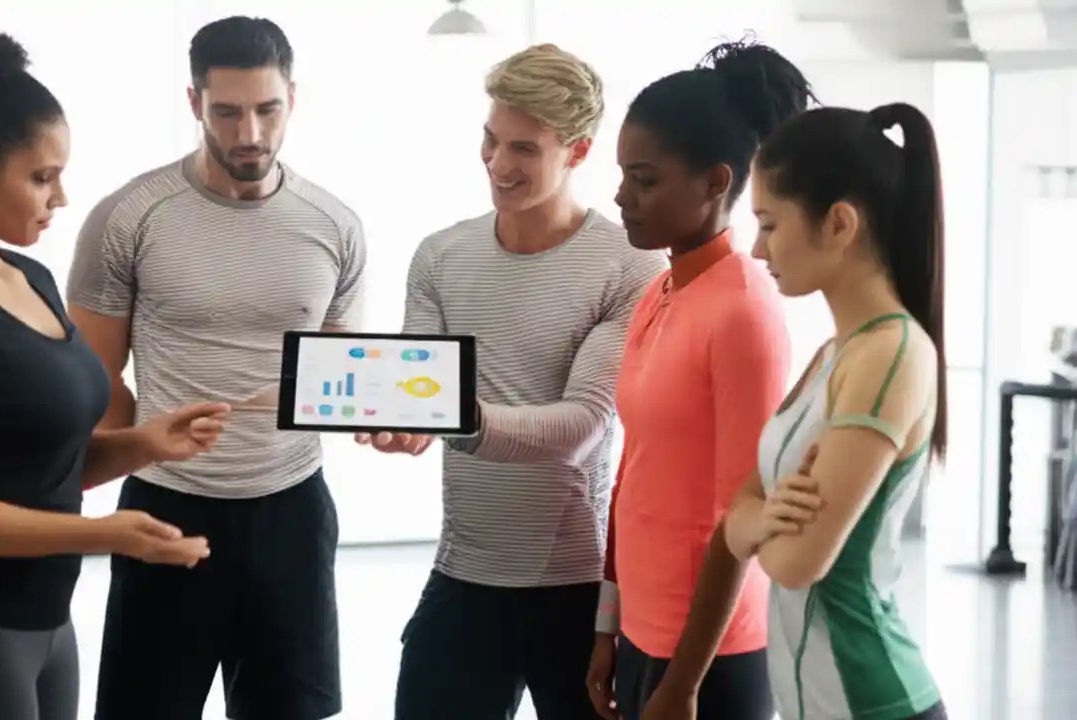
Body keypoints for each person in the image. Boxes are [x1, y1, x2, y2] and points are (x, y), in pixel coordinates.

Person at [0, 26, 226, 720]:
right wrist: (106, 535)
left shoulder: (29, 277)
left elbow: (40, 468)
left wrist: (145, 443)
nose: (59, 197)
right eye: (40, 176)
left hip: (47, 625)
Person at [66, 15, 365, 720]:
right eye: (227, 112)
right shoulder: (129, 217)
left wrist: (387, 422)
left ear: (293, 96)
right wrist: (146, 448)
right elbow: (93, 379)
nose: (249, 133)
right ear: (196, 102)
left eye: (267, 109)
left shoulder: (335, 225)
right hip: (167, 507)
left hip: (292, 508)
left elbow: (335, 379)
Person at [357, 43, 666, 719]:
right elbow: (421, 392)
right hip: (463, 576)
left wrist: (454, 420)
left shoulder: (630, 266)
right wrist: (403, 422)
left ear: (579, 152)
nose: (499, 165)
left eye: (524, 149)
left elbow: (581, 426)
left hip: (575, 590)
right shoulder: (441, 255)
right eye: (491, 140)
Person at [586, 39, 816, 720]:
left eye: (645, 179)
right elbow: (634, 470)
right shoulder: (659, 291)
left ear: (717, 182)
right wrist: (608, 624)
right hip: (643, 630)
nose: (622, 195)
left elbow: (739, 516)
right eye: (624, 174)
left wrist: (683, 683)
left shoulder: (743, 309)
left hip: (711, 656)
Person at [722, 102, 948, 720]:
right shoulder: (835, 353)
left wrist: (757, 524)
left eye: (769, 223)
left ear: (840, 224)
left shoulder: (891, 356)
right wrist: (764, 517)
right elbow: (734, 517)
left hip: (873, 702)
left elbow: (797, 564)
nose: (756, 245)